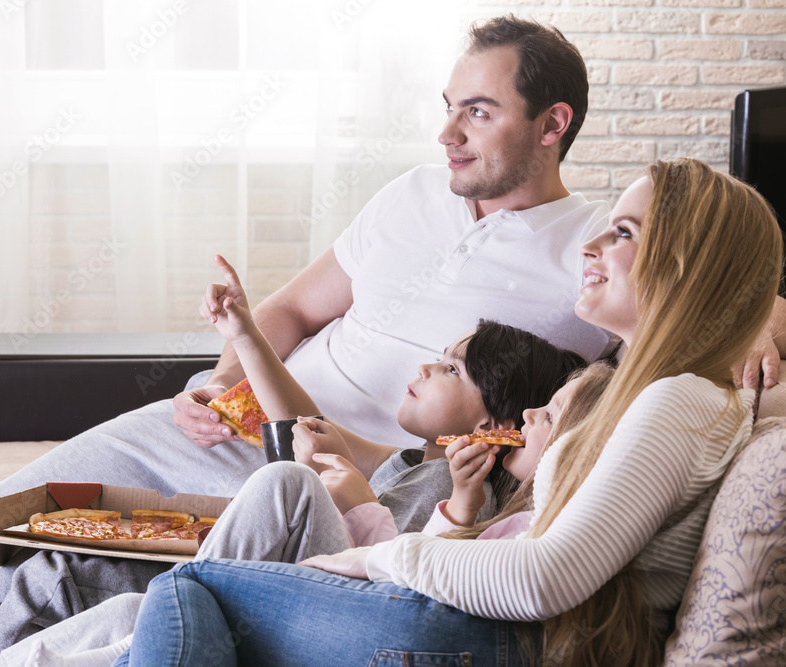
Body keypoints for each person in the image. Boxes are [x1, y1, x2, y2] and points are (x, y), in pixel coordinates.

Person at [0, 16, 782, 666]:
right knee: (27, 507)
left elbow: (701, 287)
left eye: (480, 113)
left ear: (553, 125)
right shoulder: (411, 195)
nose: (448, 132)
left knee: (103, 562)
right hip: (247, 420)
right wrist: (222, 380)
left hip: (355, 482)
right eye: (448, 104)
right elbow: (291, 313)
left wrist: (768, 319)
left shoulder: (581, 254)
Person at [115, 157, 784, 667]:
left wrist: (378, 561)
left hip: (493, 640)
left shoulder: (677, 400)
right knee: (194, 597)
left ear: (685, 265)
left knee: (188, 588)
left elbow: (544, 577)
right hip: (482, 626)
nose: (591, 246)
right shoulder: (653, 393)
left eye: (624, 232)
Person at [0, 309, 583, 667]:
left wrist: (348, 486)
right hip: (241, 541)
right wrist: (244, 335)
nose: (424, 367)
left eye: (449, 369)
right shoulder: (417, 457)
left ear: (495, 427)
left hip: (260, 572)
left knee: (59, 561)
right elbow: (303, 423)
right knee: (43, 526)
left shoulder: (453, 484)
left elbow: (394, 581)